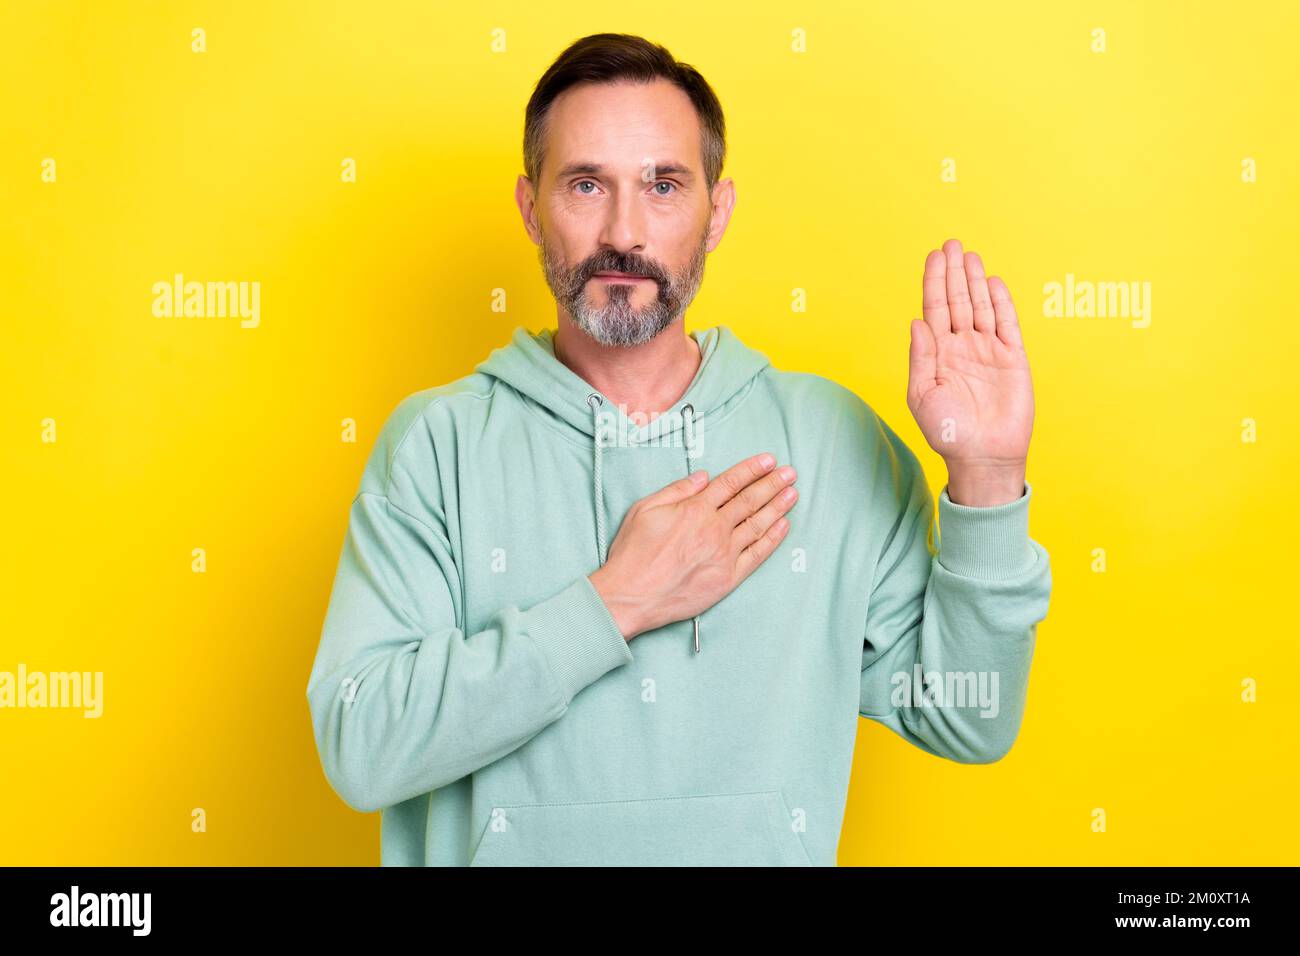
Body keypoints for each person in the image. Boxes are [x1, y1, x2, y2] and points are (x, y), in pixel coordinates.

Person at [306, 32, 1052, 866]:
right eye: (586, 184)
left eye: (663, 185)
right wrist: (616, 602)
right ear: (529, 206)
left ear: (717, 210)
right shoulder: (435, 447)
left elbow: (969, 718)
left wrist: (987, 481)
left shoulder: (834, 444)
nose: (624, 233)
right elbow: (361, 748)